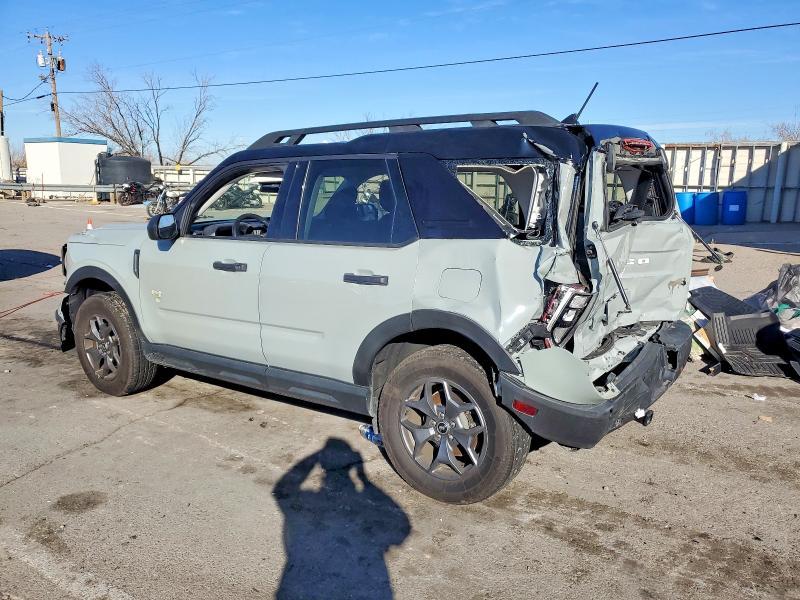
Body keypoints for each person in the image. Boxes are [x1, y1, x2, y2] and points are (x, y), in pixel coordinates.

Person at [274, 437, 410, 600]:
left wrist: (316, 456)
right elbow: (402, 527)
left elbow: (282, 489)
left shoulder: (309, 502)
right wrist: (364, 479)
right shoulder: (362, 506)